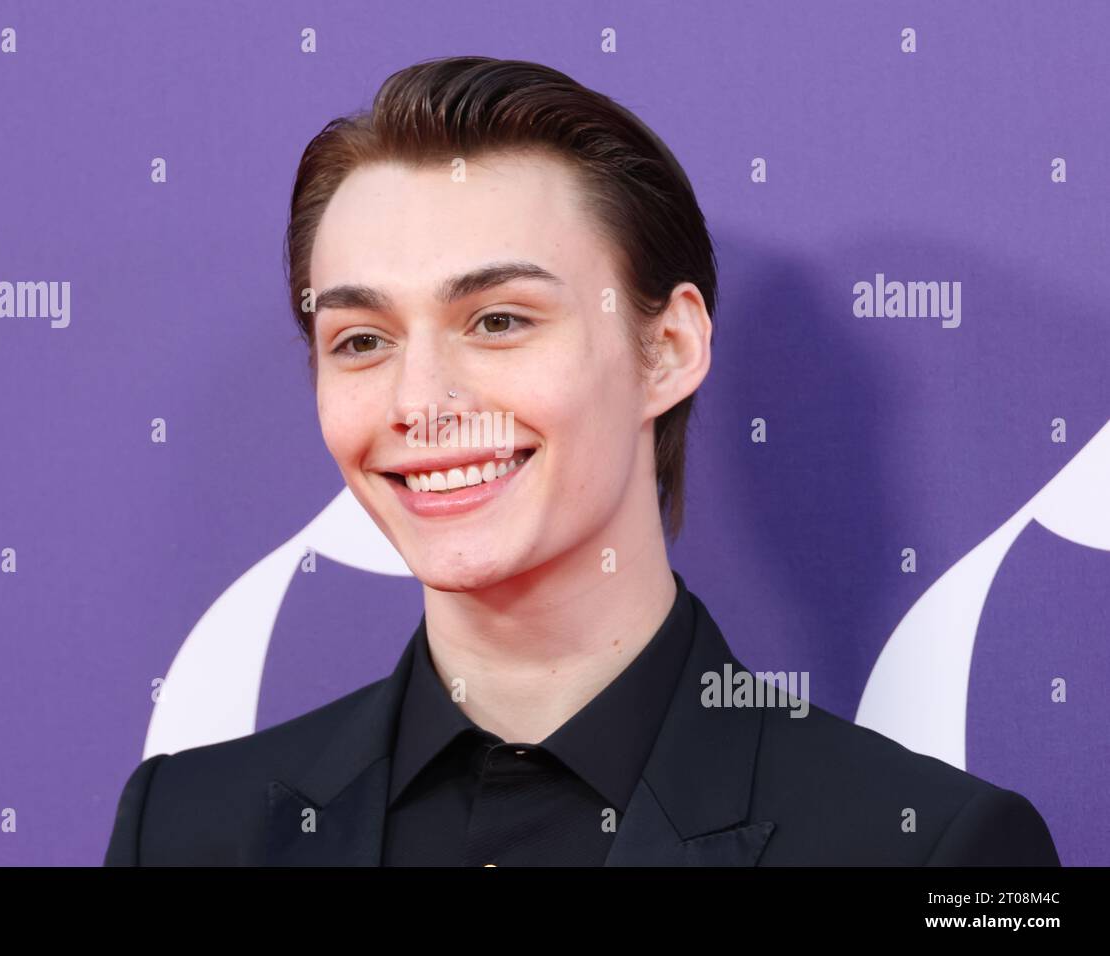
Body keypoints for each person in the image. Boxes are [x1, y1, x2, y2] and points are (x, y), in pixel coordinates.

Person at [104, 56, 1059, 866]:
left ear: (669, 349)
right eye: (361, 340)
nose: (419, 403)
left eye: (501, 320)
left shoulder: (931, 850)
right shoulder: (186, 830)